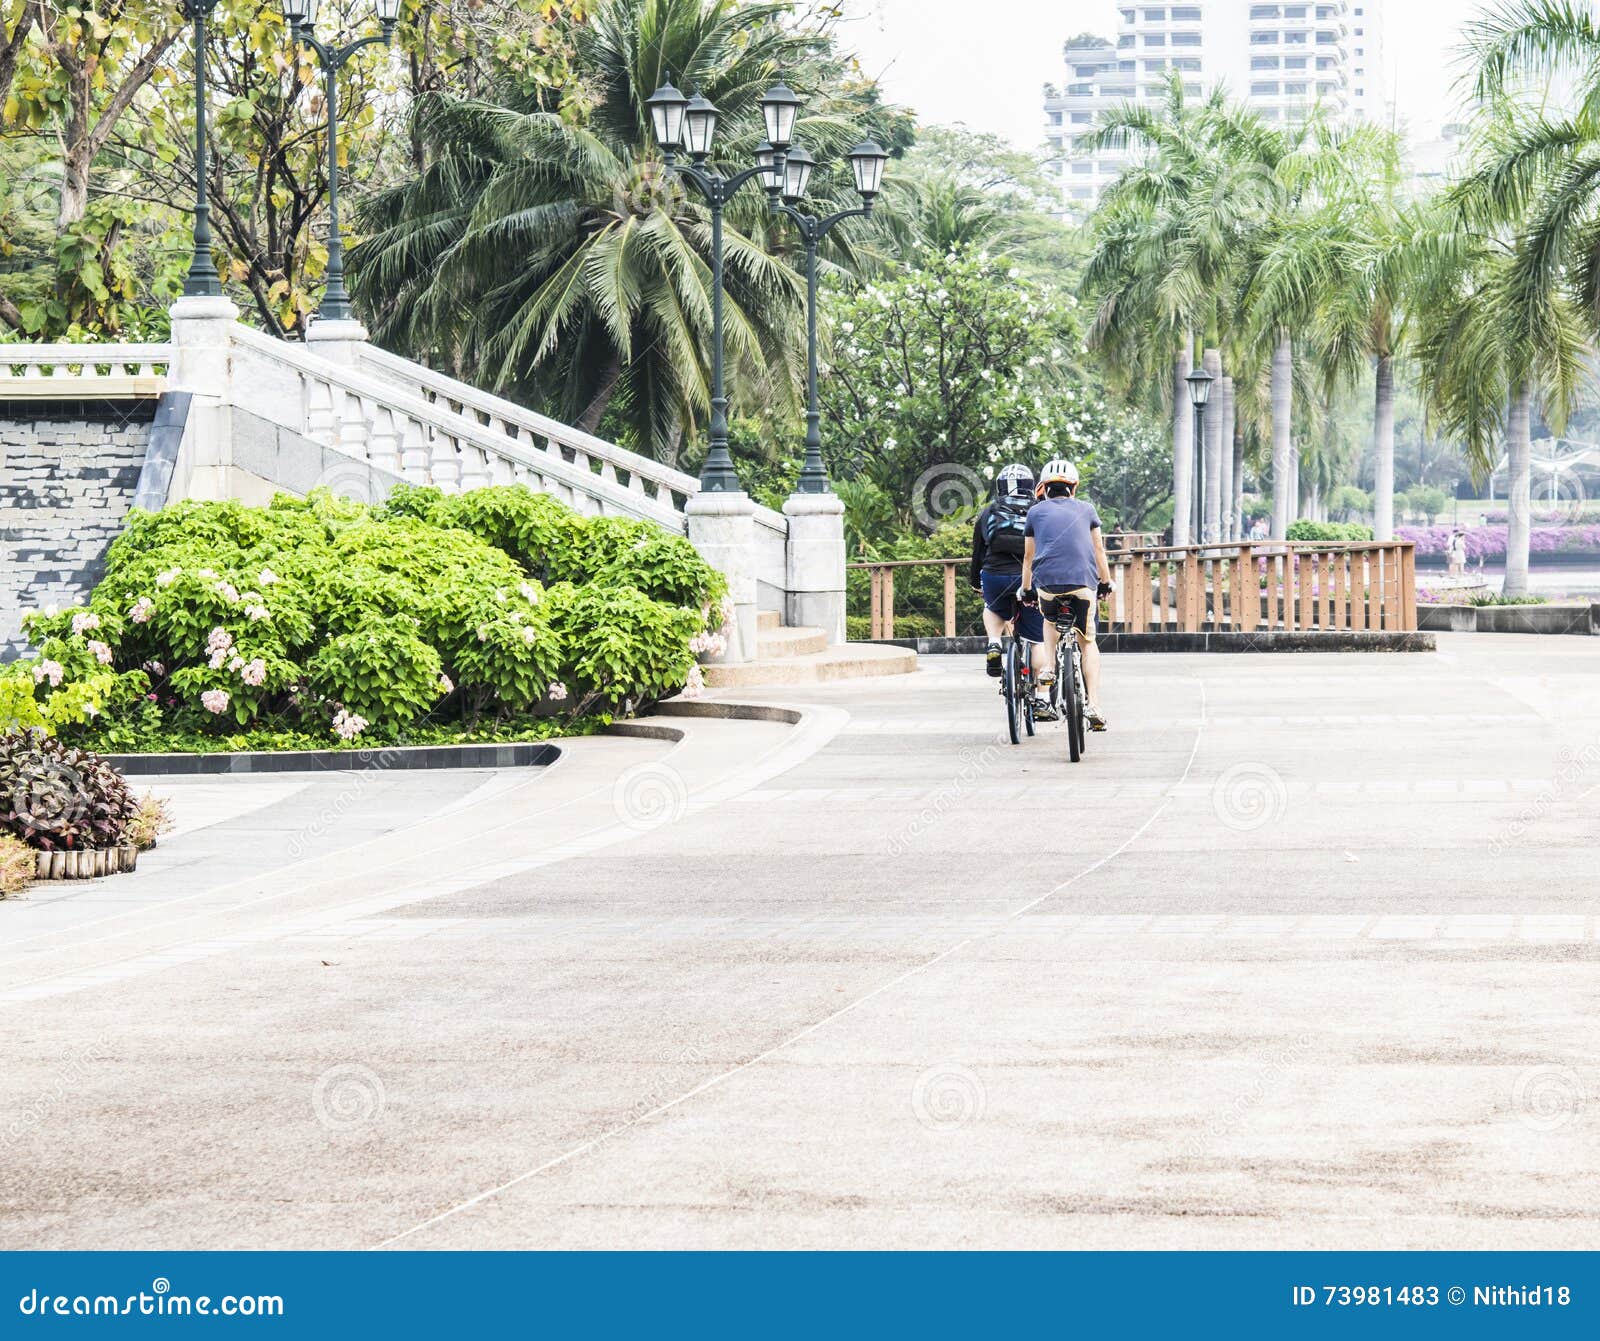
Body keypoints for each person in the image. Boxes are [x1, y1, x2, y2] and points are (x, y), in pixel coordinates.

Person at [1018, 459, 1113, 731]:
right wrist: (1105, 583)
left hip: (1047, 585)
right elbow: (1099, 551)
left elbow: (1028, 556)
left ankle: (1048, 667)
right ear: (1073, 488)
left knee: (1049, 620)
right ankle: (1093, 704)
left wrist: (1026, 590)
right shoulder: (1087, 509)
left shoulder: (1035, 513)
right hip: (1083, 584)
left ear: (1044, 489)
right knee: (1087, 641)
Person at [969, 464, 1055, 719]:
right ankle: (1041, 699)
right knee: (1037, 639)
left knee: (992, 607)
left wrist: (977, 582)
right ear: (1032, 485)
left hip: (994, 575)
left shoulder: (989, 512)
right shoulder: (1040, 511)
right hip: (1029, 579)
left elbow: (978, 553)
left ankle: (994, 643)